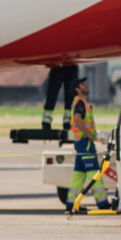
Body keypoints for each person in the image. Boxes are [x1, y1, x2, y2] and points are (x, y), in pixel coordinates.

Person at [67, 78, 112, 213]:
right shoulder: (80, 102)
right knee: (95, 173)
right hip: (85, 143)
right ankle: (102, 203)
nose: (86, 85)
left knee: (78, 175)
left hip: (80, 143)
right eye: (83, 84)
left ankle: (71, 204)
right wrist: (88, 135)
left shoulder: (80, 103)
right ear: (77, 89)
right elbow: (78, 119)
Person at [41, 65, 78, 131]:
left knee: (70, 96)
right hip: (58, 64)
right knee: (52, 93)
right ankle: (46, 122)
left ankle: (67, 122)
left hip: (71, 64)